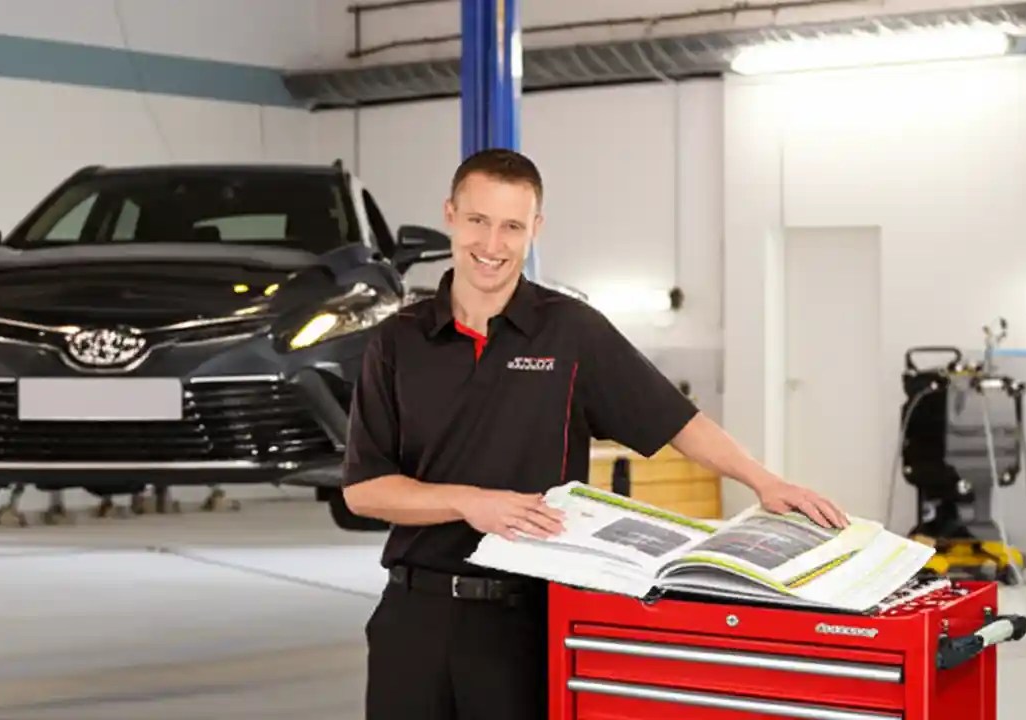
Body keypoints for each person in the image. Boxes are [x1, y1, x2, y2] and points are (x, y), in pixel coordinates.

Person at [341, 148, 847, 719]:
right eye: (478, 220)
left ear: (536, 229)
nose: (492, 244)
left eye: (512, 226)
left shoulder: (570, 330)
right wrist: (469, 503)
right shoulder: (397, 340)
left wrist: (763, 480)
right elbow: (365, 490)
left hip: (527, 617)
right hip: (415, 615)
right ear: (450, 216)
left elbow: (675, 419)